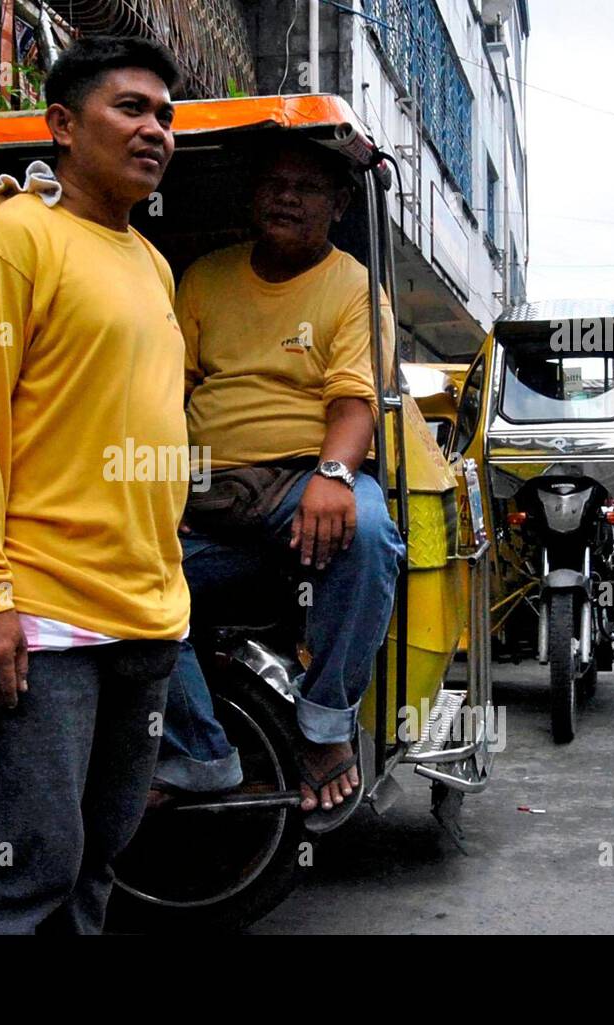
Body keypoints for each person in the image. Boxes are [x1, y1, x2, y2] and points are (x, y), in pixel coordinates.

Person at [0, 36, 189, 934]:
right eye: (131, 108)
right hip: (41, 615)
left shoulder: (151, 265)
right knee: (22, 869)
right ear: (63, 126)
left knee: (97, 861)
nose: (156, 128)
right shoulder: (10, 242)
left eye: (165, 114)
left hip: (146, 613)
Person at [151, 138, 405, 824]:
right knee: (115, 575)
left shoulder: (353, 285)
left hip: (304, 478)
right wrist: (156, 492)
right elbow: (164, 396)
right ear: (253, 196)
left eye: (307, 187)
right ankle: (201, 753)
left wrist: (331, 473)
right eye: (275, 183)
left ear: (339, 204)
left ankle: (324, 730)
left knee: (372, 531)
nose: (288, 197)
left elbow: (355, 401)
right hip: (211, 486)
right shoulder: (204, 278)